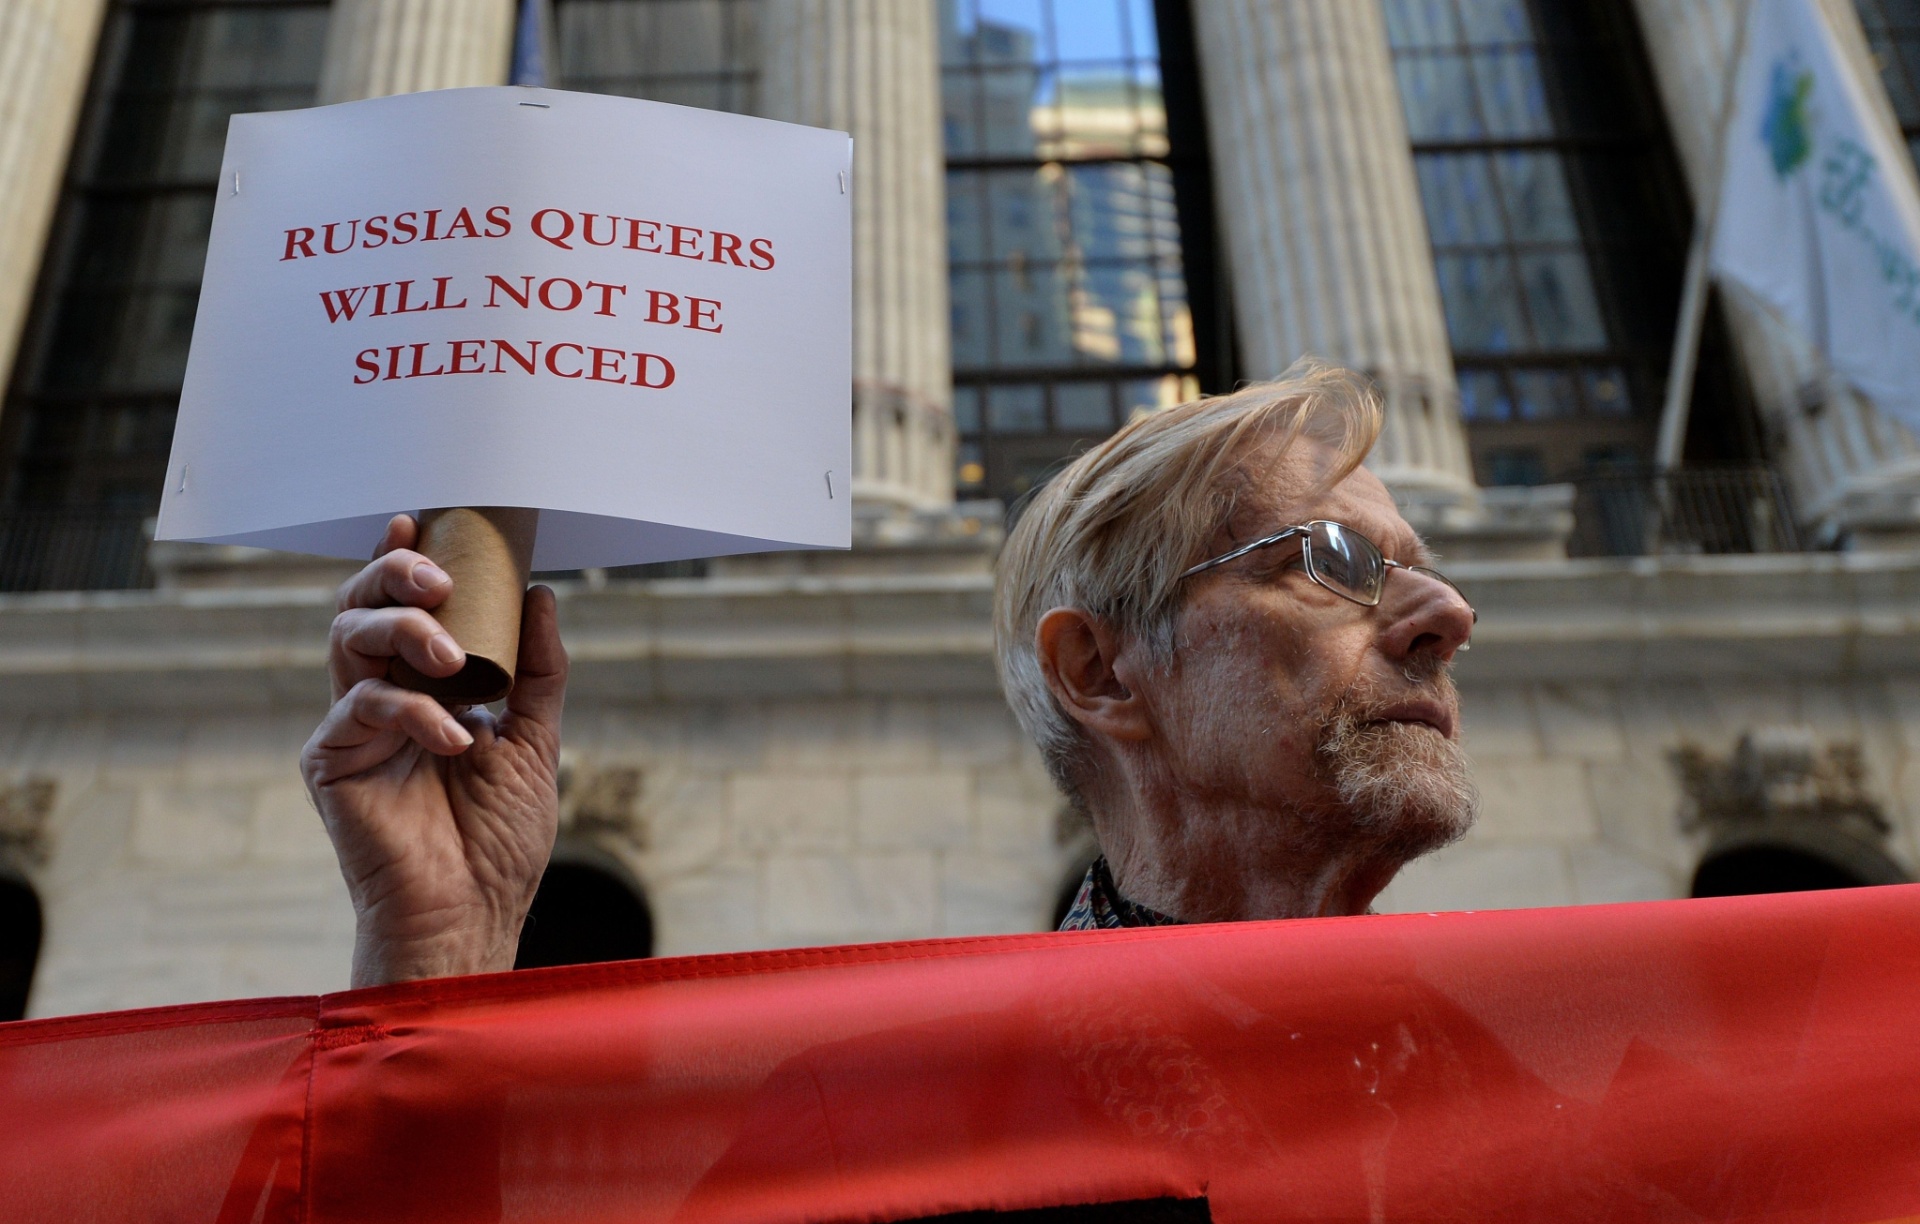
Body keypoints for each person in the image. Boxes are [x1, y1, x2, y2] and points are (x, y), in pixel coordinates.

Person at [302, 361, 1478, 985]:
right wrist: (437, 951)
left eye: (1425, 571)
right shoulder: (899, 1123)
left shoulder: (1569, 1084)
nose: (1448, 616)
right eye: (1336, 561)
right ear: (1103, 673)